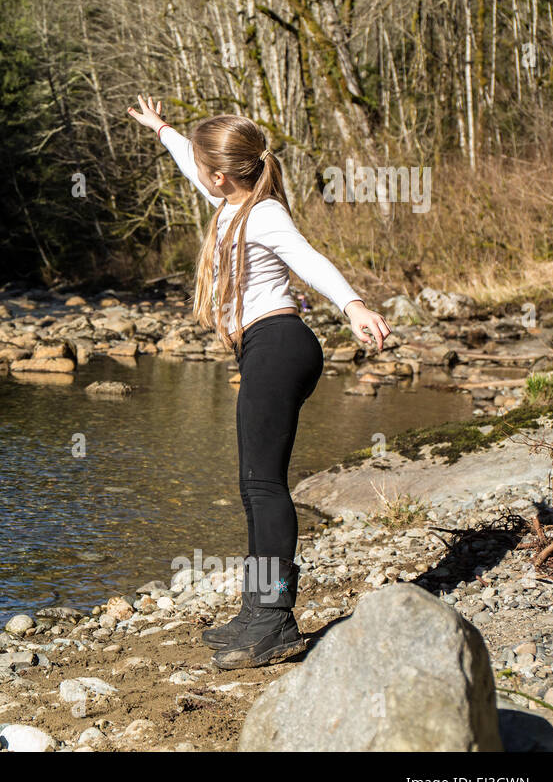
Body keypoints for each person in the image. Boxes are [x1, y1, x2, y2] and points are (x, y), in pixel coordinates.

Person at [128, 95, 391, 669]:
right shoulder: (229, 204)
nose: (198, 173)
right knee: (254, 485)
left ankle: (273, 619)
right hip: (264, 347)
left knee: (265, 485)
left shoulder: (265, 214)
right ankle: (255, 611)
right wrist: (165, 130)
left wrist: (353, 306)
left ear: (221, 175)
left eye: (204, 167)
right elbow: (188, 161)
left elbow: (310, 259)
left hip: (279, 346)